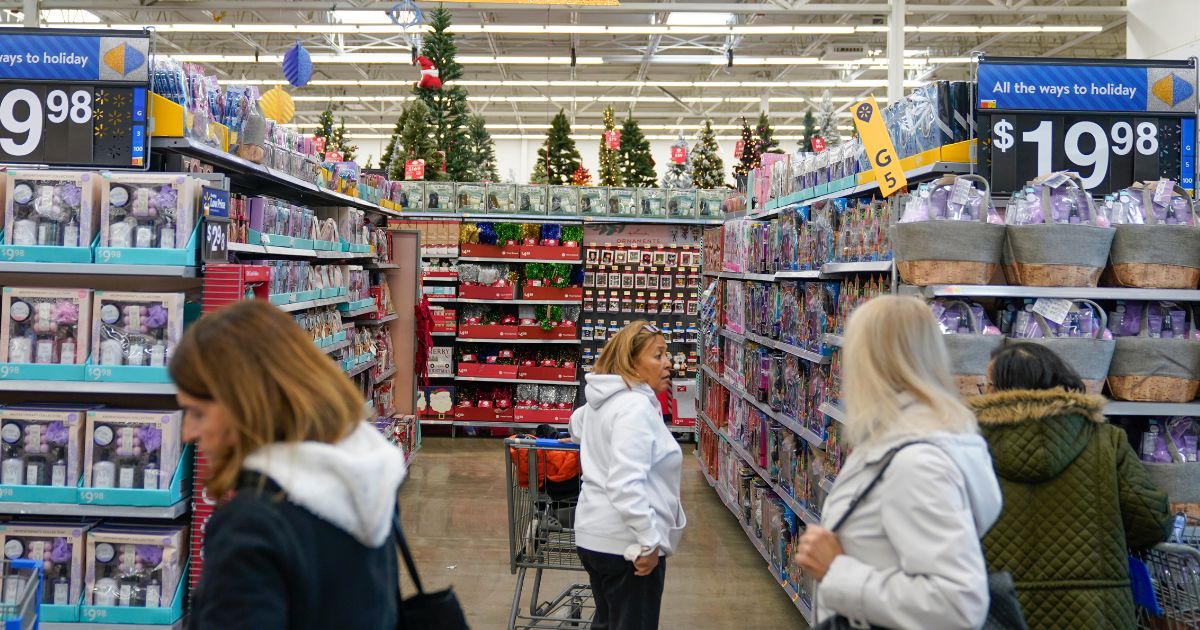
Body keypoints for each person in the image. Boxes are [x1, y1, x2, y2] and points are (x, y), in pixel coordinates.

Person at [170, 300, 408, 630]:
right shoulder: (367, 481)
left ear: (245, 406)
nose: (188, 432)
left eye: (198, 412)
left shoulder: (254, 524)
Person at [794, 295, 1003, 629]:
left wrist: (837, 571)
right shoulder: (901, 437)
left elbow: (958, 605)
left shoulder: (917, 464)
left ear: (872, 362)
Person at [968, 342, 1172, 629]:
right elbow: (1150, 521)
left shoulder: (969, 446)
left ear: (999, 392)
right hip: (1094, 611)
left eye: (988, 385)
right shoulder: (1105, 440)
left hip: (999, 609)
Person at [569, 321, 686, 630]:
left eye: (667, 354)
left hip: (595, 536)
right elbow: (625, 483)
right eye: (658, 355)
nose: (668, 363)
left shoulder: (603, 399)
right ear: (633, 364)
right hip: (627, 546)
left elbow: (576, 424)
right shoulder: (634, 408)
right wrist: (649, 541)